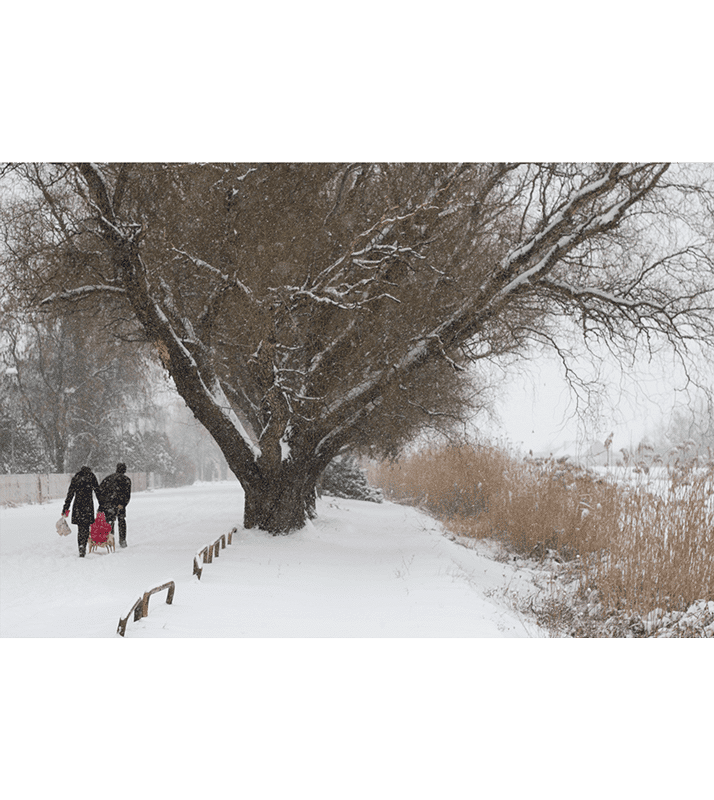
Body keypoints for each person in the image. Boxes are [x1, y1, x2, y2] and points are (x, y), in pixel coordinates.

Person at [62, 466, 102, 558]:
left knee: (80, 528)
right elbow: (97, 491)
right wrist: (102, 505)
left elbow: (70, 493)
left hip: (78, 505)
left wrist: (66, 508)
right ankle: (83, 544)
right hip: (88, 505)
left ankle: (81, 547)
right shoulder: (91, 476)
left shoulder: (77, 477)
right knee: (86, 526)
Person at [99, 463, 132, 548]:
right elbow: (127, 494)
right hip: (120, 504)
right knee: (121, 521)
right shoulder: (126, 480)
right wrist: (123, 504)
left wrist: (103, 502)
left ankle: (110, 539)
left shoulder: (108, 478)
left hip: (109, 504)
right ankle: (122, 540)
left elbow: (100, 491)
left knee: (110, 522)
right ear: (124, 470)